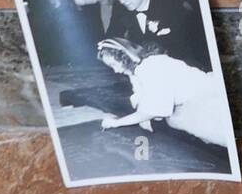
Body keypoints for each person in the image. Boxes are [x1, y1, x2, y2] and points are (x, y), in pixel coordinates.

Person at [95, 38, 232, 147]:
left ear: (124, 57)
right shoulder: (138, 69)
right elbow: (140, 95)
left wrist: (116, 122)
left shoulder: (150, 68)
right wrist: (143, 113)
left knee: (227, 137)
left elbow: (152, 111)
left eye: (114, 65)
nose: (115, 71)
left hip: (210, 100)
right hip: (192, 103)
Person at [106, 0, 210, 70]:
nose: (122, 1)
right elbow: (112, 38)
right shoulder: (119, 8)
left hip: (180, 64)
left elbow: (192, 44)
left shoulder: (171, 6)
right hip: (142, 67)